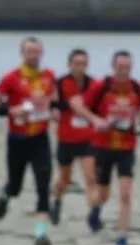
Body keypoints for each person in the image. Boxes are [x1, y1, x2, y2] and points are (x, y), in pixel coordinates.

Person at [71, 49, 140, 245]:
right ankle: (95, 211)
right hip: (102, 146)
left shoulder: (137, 88)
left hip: (126, 147)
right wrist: (96, 120)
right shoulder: (102, 86)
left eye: (127, 67)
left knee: (125, 193)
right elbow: (79, 106)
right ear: (113, 67)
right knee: (102, 194)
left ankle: (121, 239)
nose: (123, 71)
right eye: (120, 67)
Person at [0, 36, 57, 245]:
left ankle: (40, 235)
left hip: (40, 139)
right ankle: (5, 195)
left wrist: (55, 111)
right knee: (15, 187)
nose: (33, 56)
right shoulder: (12, 77)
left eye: (37, 52)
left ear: (41, 54)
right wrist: (10, 111)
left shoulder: (48, 76)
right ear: (22, 54)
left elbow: (54, 100)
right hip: (17, 140)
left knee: (43, 187)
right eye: (29, 52)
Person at [50, 48, 97, 226]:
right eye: (76, 63)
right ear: (69, 65)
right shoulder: (60, 83)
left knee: (91, 177)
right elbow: (52, 104)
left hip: (87, 138)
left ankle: (93, 214)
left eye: (83, 64)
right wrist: (57, 110)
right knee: (65, 179)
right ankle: (57, 201)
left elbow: (100, 106)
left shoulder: (94, 84)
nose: (80, 67)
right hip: (66, 138)